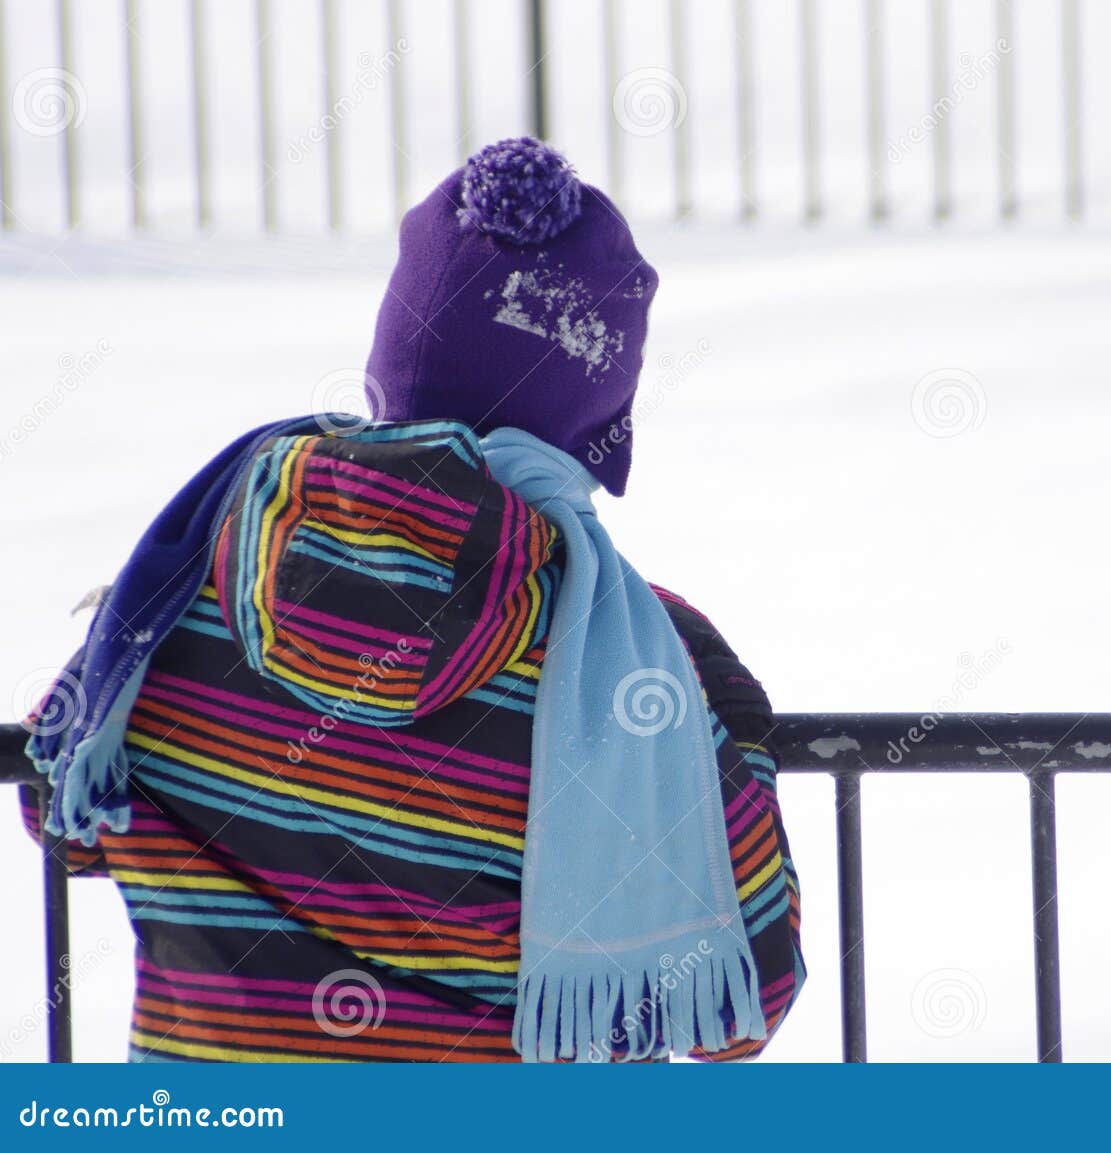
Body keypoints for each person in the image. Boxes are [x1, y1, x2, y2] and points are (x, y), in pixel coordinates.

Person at [20, 138, 803, 1063]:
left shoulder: (197, 571)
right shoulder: (628, 660)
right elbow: (744, 999)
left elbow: (63, 806)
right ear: (598, 420)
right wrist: (737, 737)